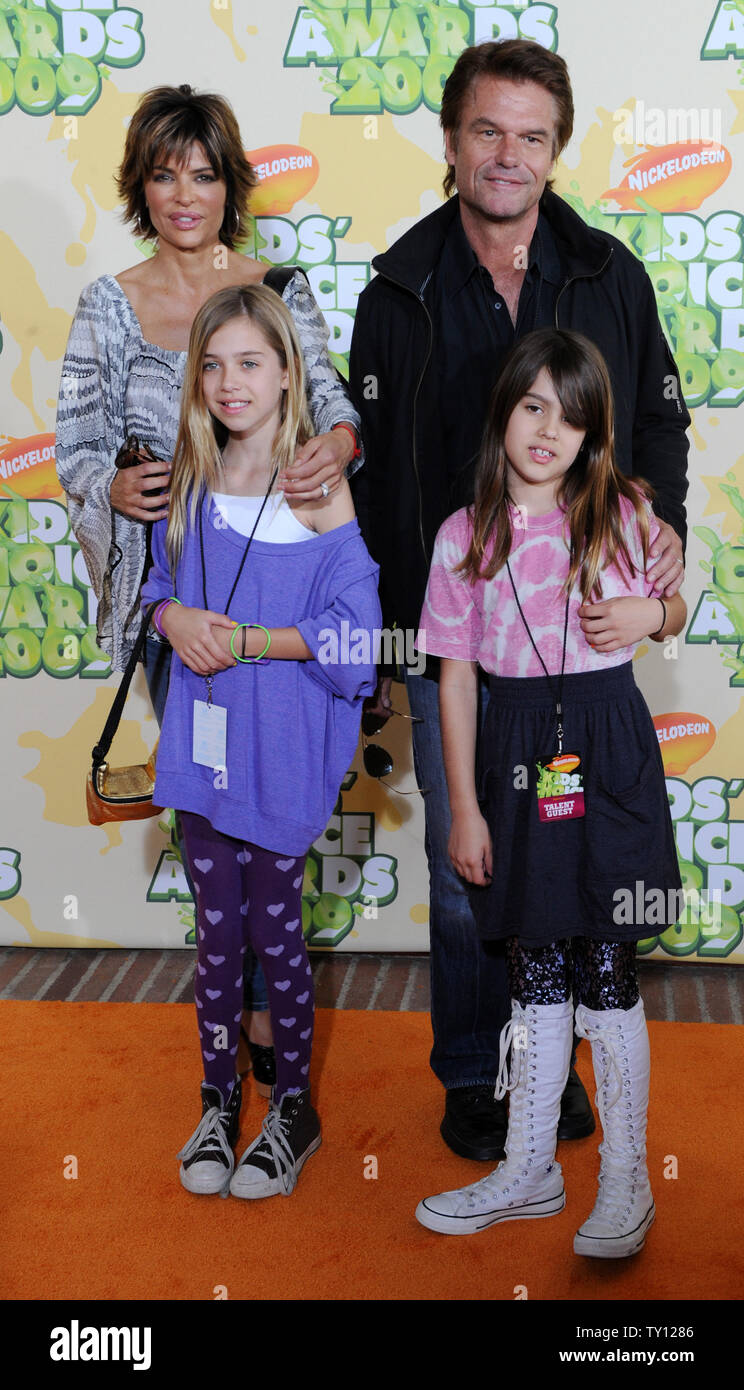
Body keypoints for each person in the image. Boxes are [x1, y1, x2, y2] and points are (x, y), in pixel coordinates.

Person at [349, 39, 689, 1161]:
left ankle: (546, 1068)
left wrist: (660, 562)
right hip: (456, 645)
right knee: (468, 868)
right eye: (486, 130)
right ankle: (471, 1072)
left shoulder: (609, 276)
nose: (507, 154)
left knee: (570, 870)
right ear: (450, 143)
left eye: (531, 135)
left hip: (579, 646)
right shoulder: (397, 288)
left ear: (557, 150)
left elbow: (658, 428)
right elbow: (369, 464)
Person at [56, 84, 363, 1084]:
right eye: (164, 171)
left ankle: (274, 1035)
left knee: (275, 809)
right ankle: (235, 1035)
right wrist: (115, 482)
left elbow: (331, 400)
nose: (184, 192)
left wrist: (342, 443)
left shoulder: (278, 281)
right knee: (216, 817)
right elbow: (75, 449)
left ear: (229, 184)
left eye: (204, 171)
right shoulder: (111, 302)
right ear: (141, 183)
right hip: (171, 606)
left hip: (280, 597)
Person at [413, 328, 685, 1256]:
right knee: (533, 971)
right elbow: (452, 678)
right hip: (515, 756)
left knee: (607, 969)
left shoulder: (625, 511)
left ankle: (626, 1182)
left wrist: (656, 612)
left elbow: (680, 606)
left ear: (594, 435)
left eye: (571, 419)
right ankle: (529, 1169)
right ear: (505, 411)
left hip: (609, 749)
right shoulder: (463, 536)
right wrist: (466, 807)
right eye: (533, 406)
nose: (548, 431)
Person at [140, 283, 380, 1198]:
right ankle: (215, 1099)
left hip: (280, 759)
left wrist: (246, 640)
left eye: (250, 363)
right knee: (215, 937)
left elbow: (356, 638)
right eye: (212, 365)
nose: (230, 382)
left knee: (278, 938)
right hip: (204, 759)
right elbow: (156, 593)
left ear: (289, 373)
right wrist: (173, 619)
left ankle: (292, 1109)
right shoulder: (193, 485)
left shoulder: (318, 494)